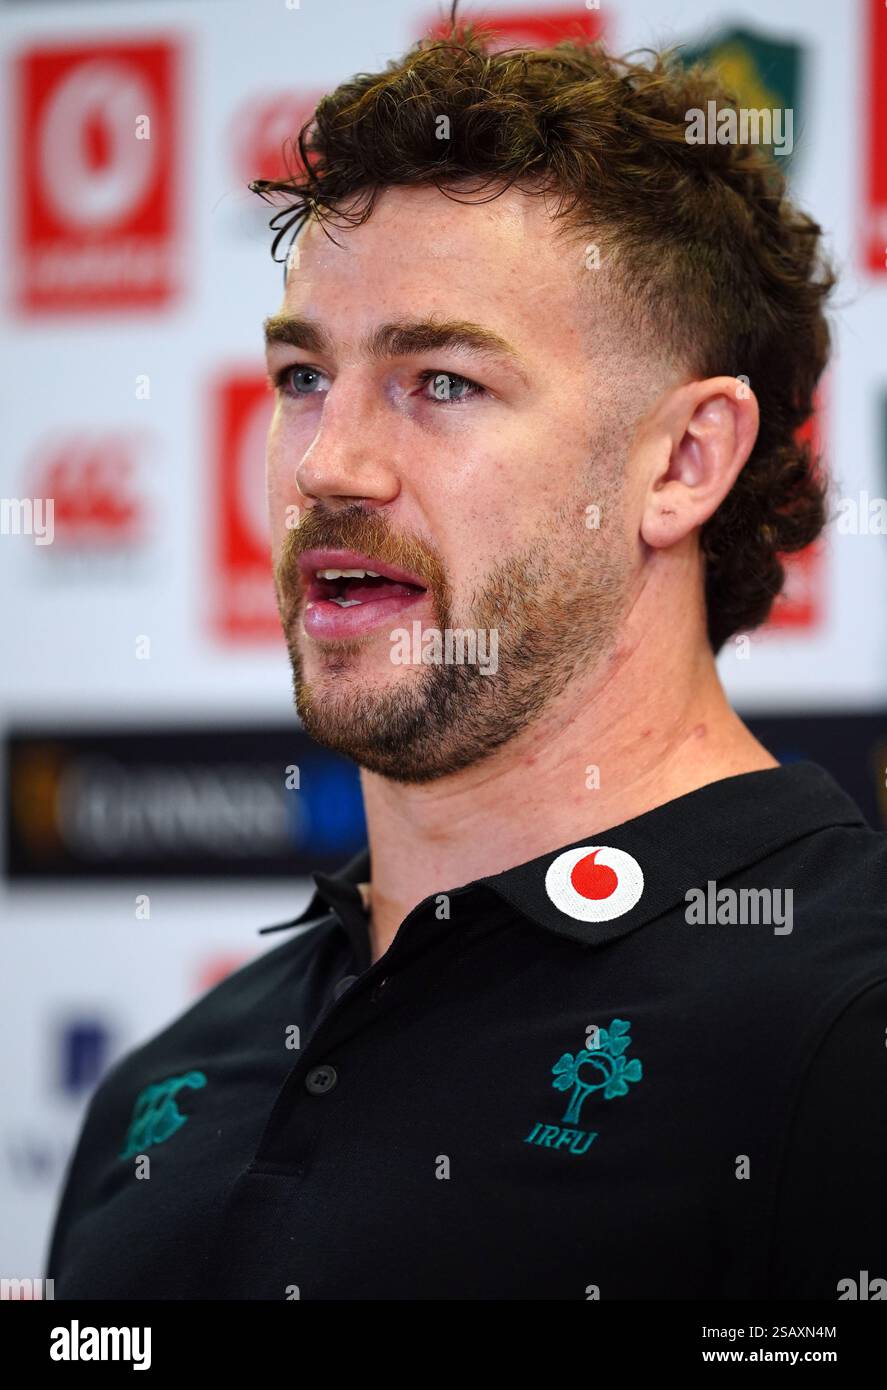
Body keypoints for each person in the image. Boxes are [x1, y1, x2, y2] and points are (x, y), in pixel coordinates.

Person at [47, 22, 886, 1300]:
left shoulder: (850, 1028)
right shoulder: (165, 1089)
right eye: (301, 375)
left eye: (439, 382)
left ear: (681, 462)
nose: (326, 464)